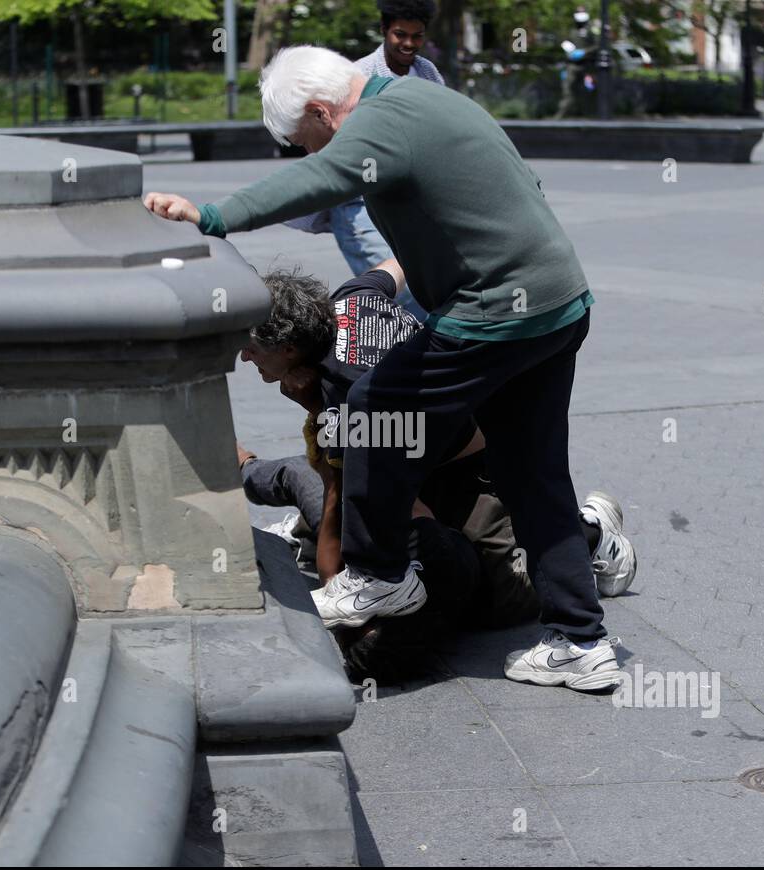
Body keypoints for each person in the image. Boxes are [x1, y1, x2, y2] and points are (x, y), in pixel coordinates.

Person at [145, 45, 626, 692]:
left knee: (372, 411)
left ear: (321, 110)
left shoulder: (378, 121)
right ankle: (581, 641)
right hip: (557, 305)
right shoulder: (427, 98)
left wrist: (212, 215)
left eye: (301, 138)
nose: (305, 152)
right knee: (532, 475)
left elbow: (316, 182)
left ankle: (378, 575)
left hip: (496, 313)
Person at [236, 263, 637, 681]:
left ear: (288, 349)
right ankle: (302, 524)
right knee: (347, 491)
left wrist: (319, 412)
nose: (244, 356)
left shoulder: (348, 400)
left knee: (505, 562)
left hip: (467, 465)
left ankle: (592, 535)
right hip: (456, 434)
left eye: (250, 347)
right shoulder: (349, 300)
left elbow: (400, 514)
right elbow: (397, 265)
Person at [288, 0, 443, 323]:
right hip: (359, 204)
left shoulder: (427, 72)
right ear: (385, 30)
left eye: (417, 36)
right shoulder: (357, 77)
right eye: (401, 34)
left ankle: (411, 364)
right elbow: (326, 138)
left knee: (429, 292)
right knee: (407, 296)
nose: (409, 44)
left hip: (411, 204)